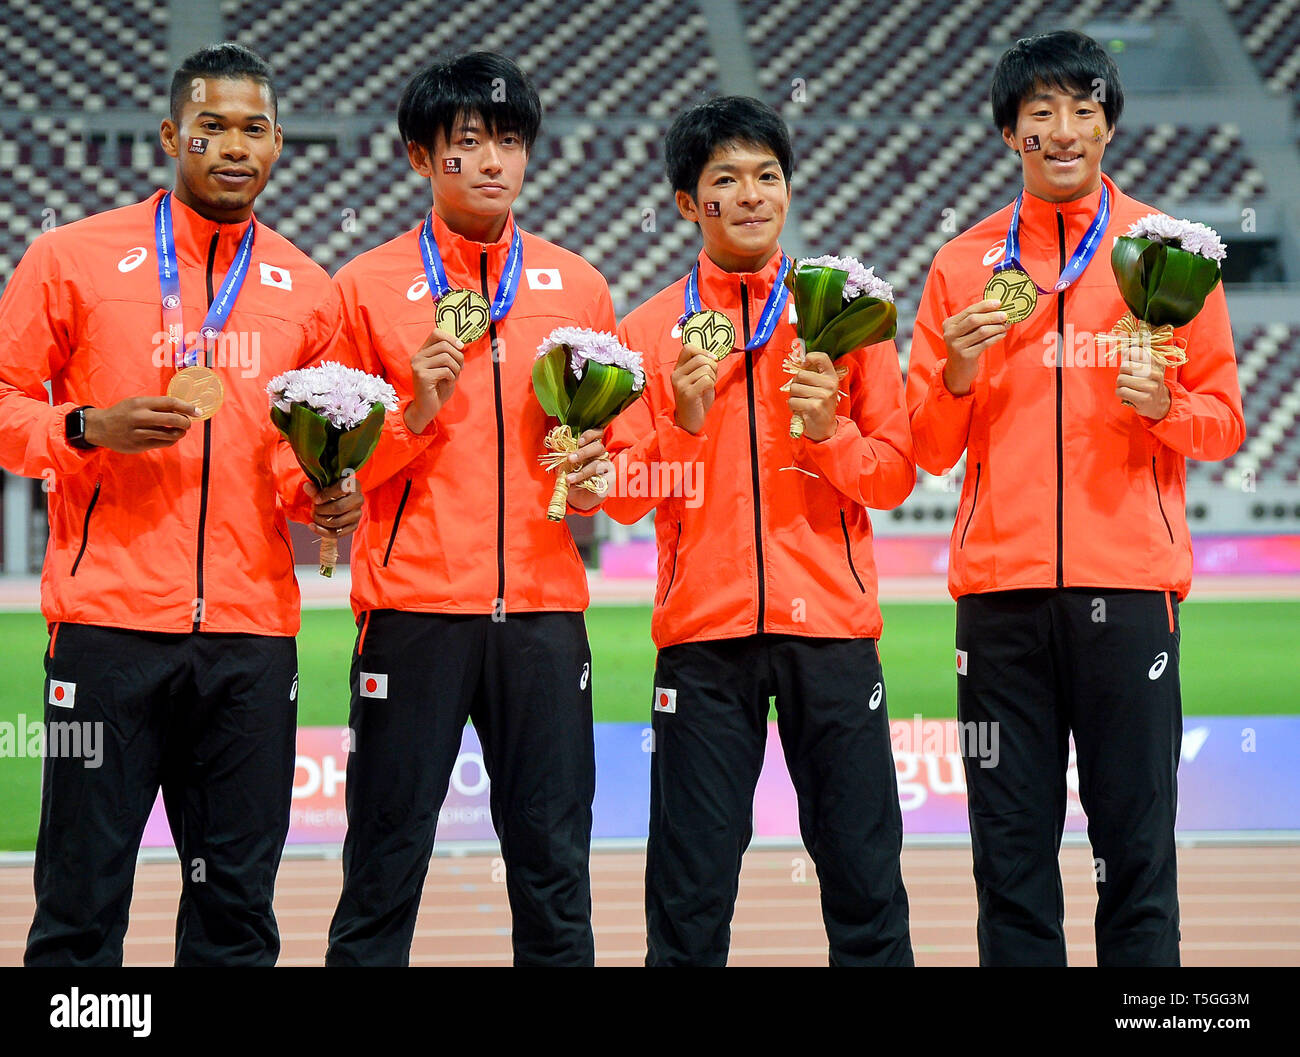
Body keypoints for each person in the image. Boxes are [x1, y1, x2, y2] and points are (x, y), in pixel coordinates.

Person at [0, 42, 359, 966]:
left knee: (236, 908)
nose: (233, 146)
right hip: (104, 630)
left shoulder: (308, 289)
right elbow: (5, 404)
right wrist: (84, 426)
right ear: (171, 135)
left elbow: (292, 456)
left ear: (277, 145)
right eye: (211, 126)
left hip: (249, 639)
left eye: (254, 129)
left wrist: (322, 494)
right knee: (80, 894)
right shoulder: (68, 257)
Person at [906, 30, 1245, 966]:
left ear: (1109, 125)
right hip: (1000, 603)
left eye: (1083, 111)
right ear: (1009, 131)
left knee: (1136, 853)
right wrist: (961, 371)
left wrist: (1167, 404)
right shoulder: (959, 266)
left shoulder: (1169, 256)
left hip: (1130, 596)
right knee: (1007, 854)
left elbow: (1225, 425)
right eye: (1040, 114)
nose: (1063, 130)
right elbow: (928, 448)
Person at [603, 96, 916, 966]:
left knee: (864, 879)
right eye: (725, 180)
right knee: (690, 890)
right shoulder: (647, 332)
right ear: (685, 204)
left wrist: (833, 435)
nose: (751, 195)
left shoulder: (850, 314)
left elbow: (893, 475)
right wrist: (684, 425)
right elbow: (625, 495)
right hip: (705, 641)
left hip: (834, 634)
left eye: (768, 176)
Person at [324, 52, 615, 967]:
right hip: (414, 611)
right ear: (421, 156)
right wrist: (409, 413)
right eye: (467, 143)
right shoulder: (363, 289)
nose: (492, 161)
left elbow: (612, 460)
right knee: (382, 862)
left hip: (541, 616)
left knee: (555, 867)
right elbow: (326, 478)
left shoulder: (577, 286)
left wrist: (599, 473)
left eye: (510, 142)